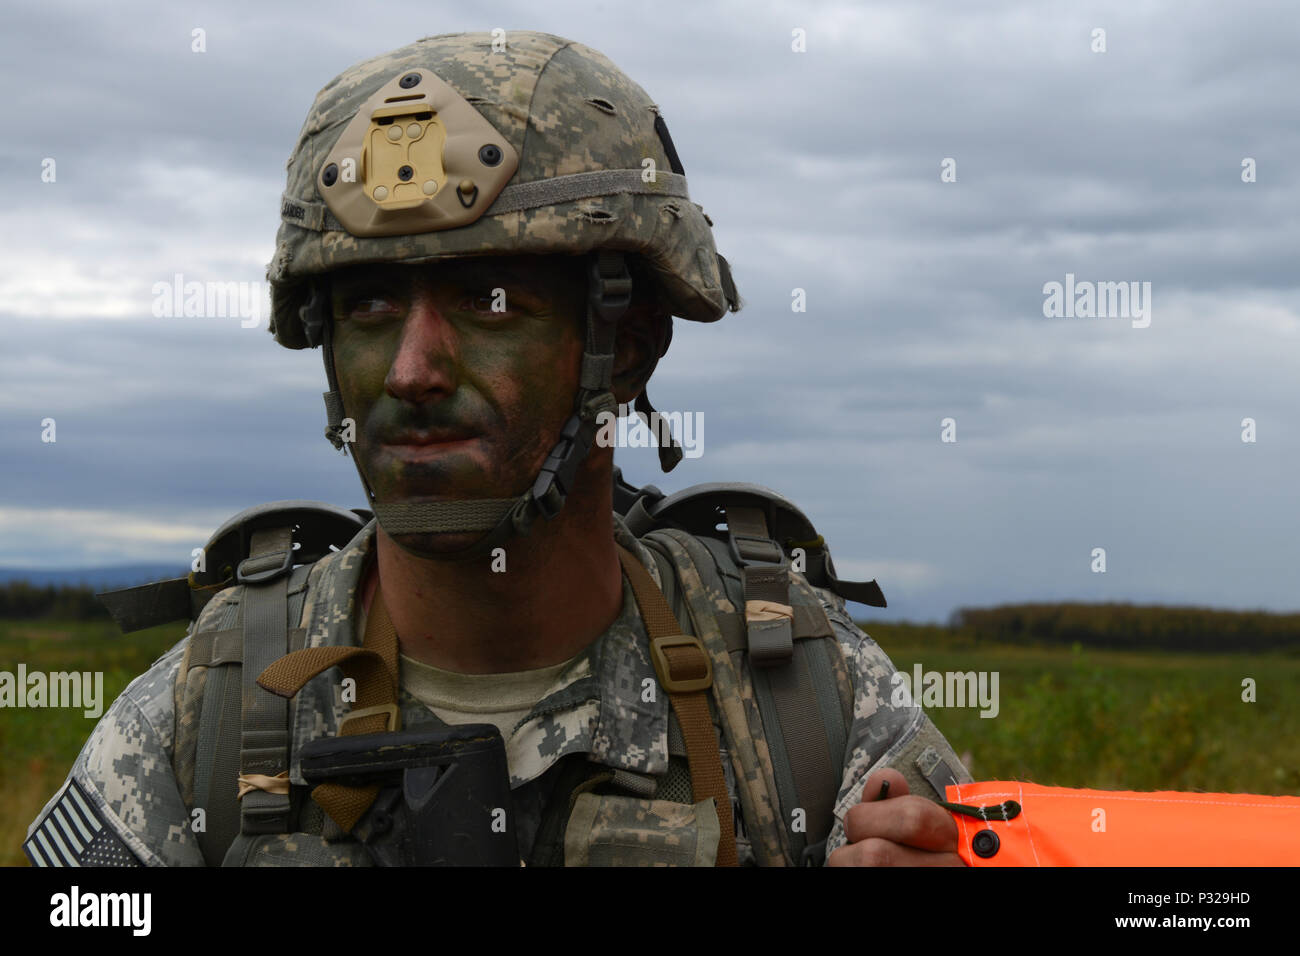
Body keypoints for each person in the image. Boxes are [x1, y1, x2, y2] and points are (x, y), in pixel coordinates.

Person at [24, 31, 971, 868]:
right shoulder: (209, 716)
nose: (412, 371)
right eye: (369, 305)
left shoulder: (807, 701)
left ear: (626, 349)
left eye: (490, 302)